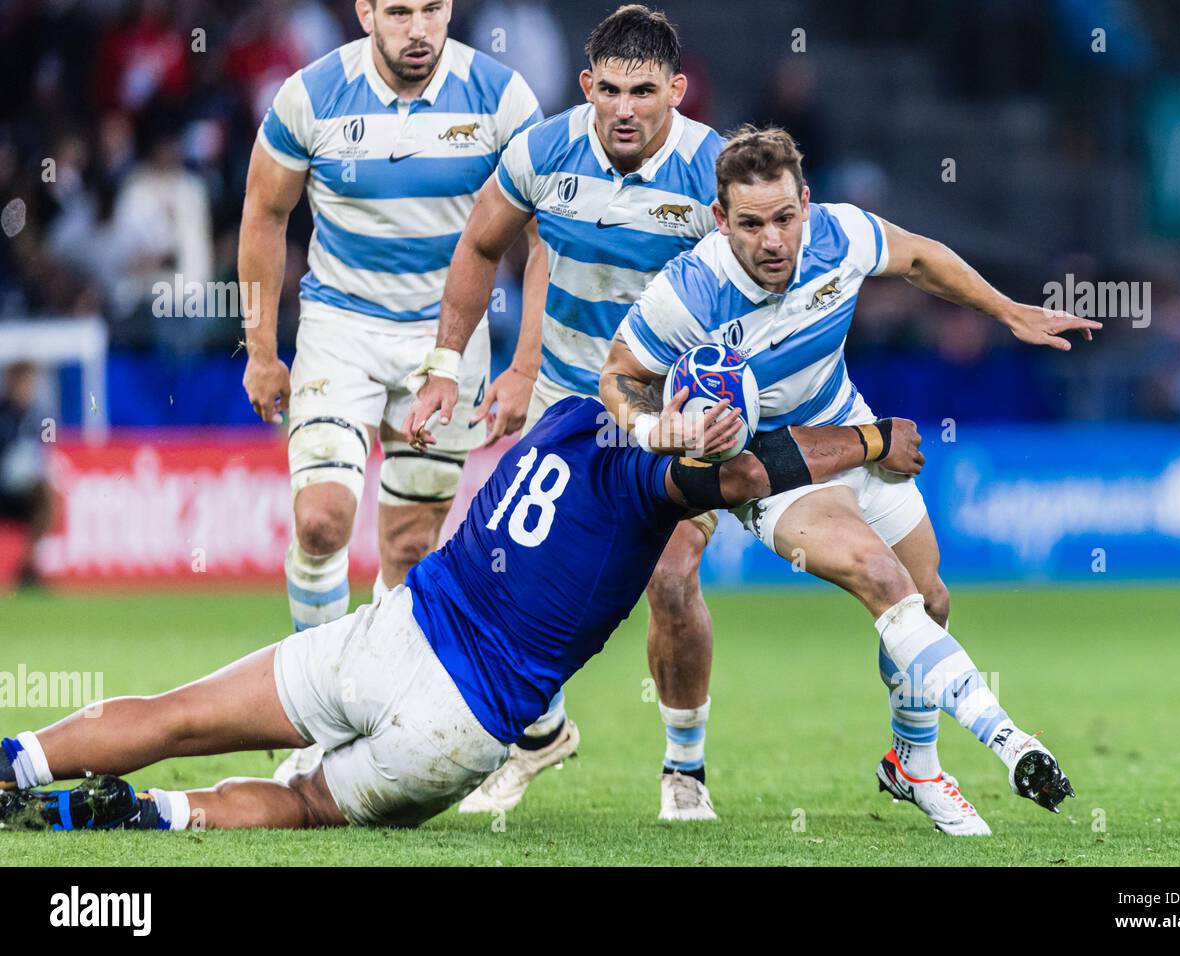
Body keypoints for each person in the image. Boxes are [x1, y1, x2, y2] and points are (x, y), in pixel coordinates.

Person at [0, 395, 925, 831]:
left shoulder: (567, 415)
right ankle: (142, 820)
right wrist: (874, 439)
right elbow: (747, 472)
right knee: (301, 802)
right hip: (462, 723)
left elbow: (652, 429)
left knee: (177, 713)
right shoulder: (664, 490)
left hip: (392, 633)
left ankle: (19, 760)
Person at [602, 127, 1091, 834]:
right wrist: (657, 430)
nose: (771, 240)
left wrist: (1008, 311)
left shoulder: (844, 234)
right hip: (773, 470)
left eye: (783, 218)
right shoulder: (691, 290)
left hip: (846, 426)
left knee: (931, 599)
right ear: (720, 221)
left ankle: (913, 767)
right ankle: (1010, 742)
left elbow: (921, 258)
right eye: (749, 224)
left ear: (806, 203)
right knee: (880, 576)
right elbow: (617, 374)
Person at [405, 5, 729, 819]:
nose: (624, 109)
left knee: (670, 578)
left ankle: (683, 767)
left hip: (673, 409)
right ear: (587, 86)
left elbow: (767, 284)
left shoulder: (715, 174)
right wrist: (456, 365)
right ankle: (541, 732)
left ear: (676, 92)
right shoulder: (547, 150)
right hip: (568, 405)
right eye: (610, 90)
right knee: (512, 576)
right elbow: (485, 244)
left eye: (644, 92)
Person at [237, 0, 545, 780]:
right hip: (340, 332)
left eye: (433, 9)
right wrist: (260, 348)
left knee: (410, 549)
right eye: (400, 10)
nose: (419, 28)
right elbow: (263, 214)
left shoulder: (501, 98)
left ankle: (369, 717)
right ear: (365, 10)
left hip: (448, 344)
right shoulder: (310, 95)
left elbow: (547, 238)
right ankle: (308, 729)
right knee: (321, 520)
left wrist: (524, 366)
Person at [0, 362, 54, 589]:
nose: (25, 389)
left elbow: (47, 449)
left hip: (23, 490)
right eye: (21, 383)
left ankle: (28, 566)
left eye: (30, 383)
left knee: (48, 497)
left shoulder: (42, 417)